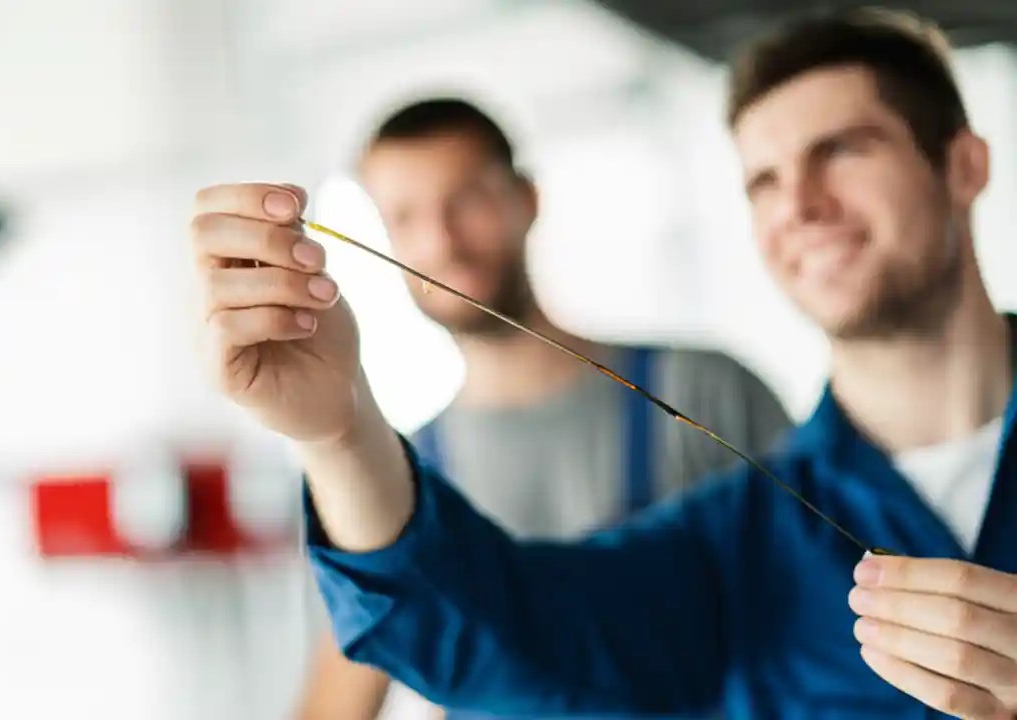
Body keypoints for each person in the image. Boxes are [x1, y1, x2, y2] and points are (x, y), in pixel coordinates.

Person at [190, 7, 1017, 720]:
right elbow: (500, 633)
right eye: (764, 180)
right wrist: (340, 431)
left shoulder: (706, 398)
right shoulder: (732, 544)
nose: (799, 204)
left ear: (963, 165)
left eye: (842, 150)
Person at [291, 98, 793, 719]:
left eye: (466, 200)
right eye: (405, 216)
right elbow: (334, 706)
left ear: (526, 199)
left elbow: (820, 619)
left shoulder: (704, 392)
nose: (441, 240)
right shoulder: (387, 481)